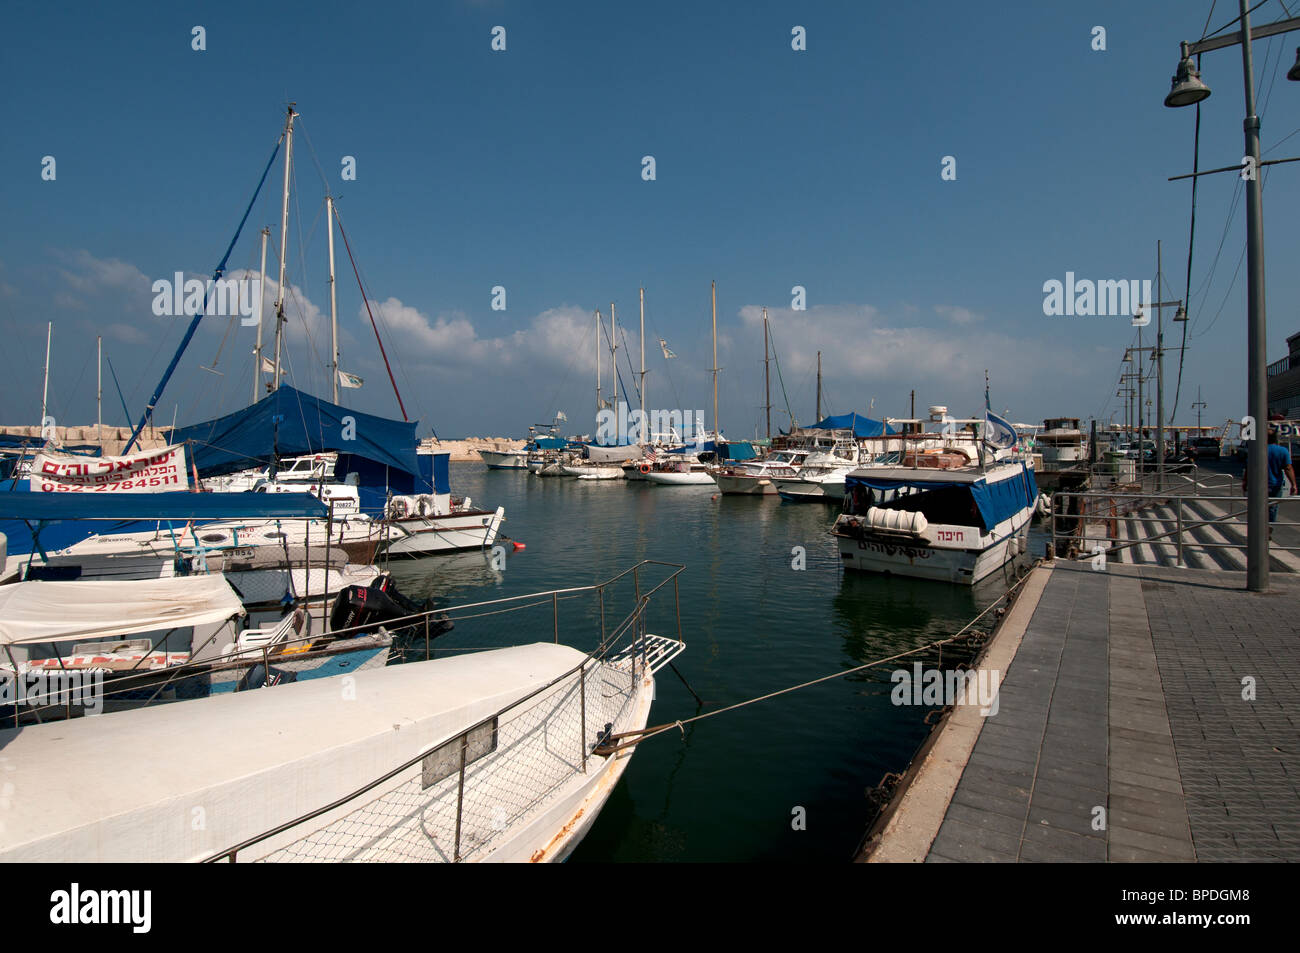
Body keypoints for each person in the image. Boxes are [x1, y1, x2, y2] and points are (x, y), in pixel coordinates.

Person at [1241, 428, 1298, 534]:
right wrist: (1293, 484)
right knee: (1272, 507)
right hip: (1276, 484)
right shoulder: (1282, 451)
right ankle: (1269, 527)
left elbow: (1249, 468)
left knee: (1257, 507)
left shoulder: (1256, 450)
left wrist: (1245, 482)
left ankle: (1258, 530)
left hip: (1257, 484)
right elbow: (1288, 468)